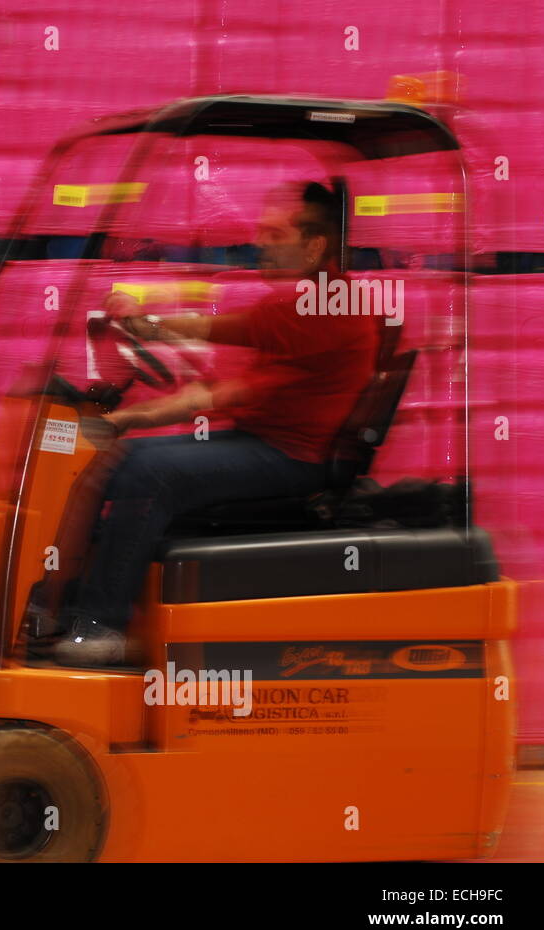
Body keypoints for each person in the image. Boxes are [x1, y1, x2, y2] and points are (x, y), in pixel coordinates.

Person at [49, 180, 381, 667]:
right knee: (128, 461)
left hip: (292, 457)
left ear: (314, 245)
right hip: (271, 441)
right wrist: (147, 329)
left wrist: (128, 415)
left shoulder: (320, 310)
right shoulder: (316, 300)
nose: (260, 243)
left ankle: (102, 626)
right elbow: (221, 335)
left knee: (149, 473)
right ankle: (74, 604)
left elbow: (222, 384)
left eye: (274, 234)